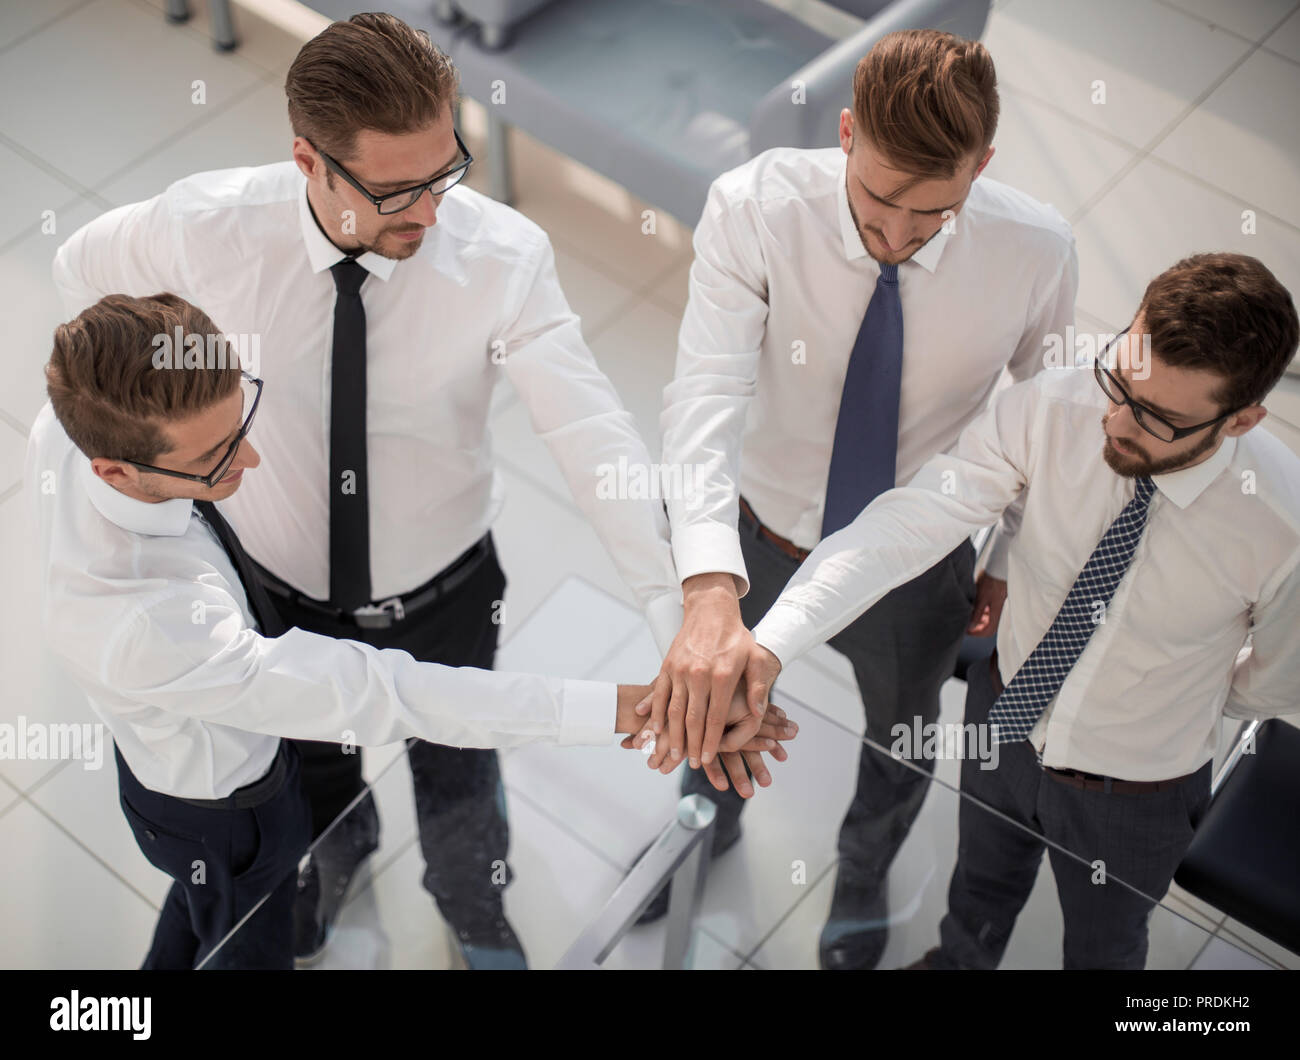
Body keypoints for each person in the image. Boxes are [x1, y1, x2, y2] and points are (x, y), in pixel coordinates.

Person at [48, 12, 725, 968]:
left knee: (460, 779)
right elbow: (78, 275)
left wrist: (680, 614)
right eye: (399, 190)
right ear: (310, 162)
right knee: (317, 777)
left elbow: (589, 433)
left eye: (449, 170)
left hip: (445, 589)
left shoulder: (502, 256)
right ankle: (339, 860)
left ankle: (473, 909)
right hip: (276, 592)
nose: (434, 211)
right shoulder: (205, 228)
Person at [26, 292, 794, 971]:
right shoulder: (145, 622)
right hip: (232, 813)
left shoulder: (70, 425)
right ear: (116, 474)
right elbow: (385, 692)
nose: (250, 458)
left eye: (241, 417)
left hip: (182, 784)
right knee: (242, 932)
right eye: (214, 458)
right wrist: (629, 707)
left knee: (204, 913)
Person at [639, 28, 1077, 968]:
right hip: (753, 530)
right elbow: (706, 395)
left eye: (933, 214)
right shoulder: (755, 207)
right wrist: (709, 586)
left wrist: (1003, 559)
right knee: (714, 701)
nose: (897, 233)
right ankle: (705, 822)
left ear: (983, 166)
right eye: (879, 201)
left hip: (916, 562)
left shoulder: (1036, 251)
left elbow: (1046, 423)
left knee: (903, 737)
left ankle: (863, 872)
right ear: (845, 133)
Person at [734, 252, 1300, 969]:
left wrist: (1169, 693)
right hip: (1002, 723)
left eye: (1157, 417)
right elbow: (918, 518)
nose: (1117, 421)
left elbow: (1275, 680)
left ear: (1243, 419)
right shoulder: (1053, 407)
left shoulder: (1282, 528)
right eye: (1119, 378)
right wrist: (773, 642)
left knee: (1106, 947)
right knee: (978, 890)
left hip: (1136, 792)